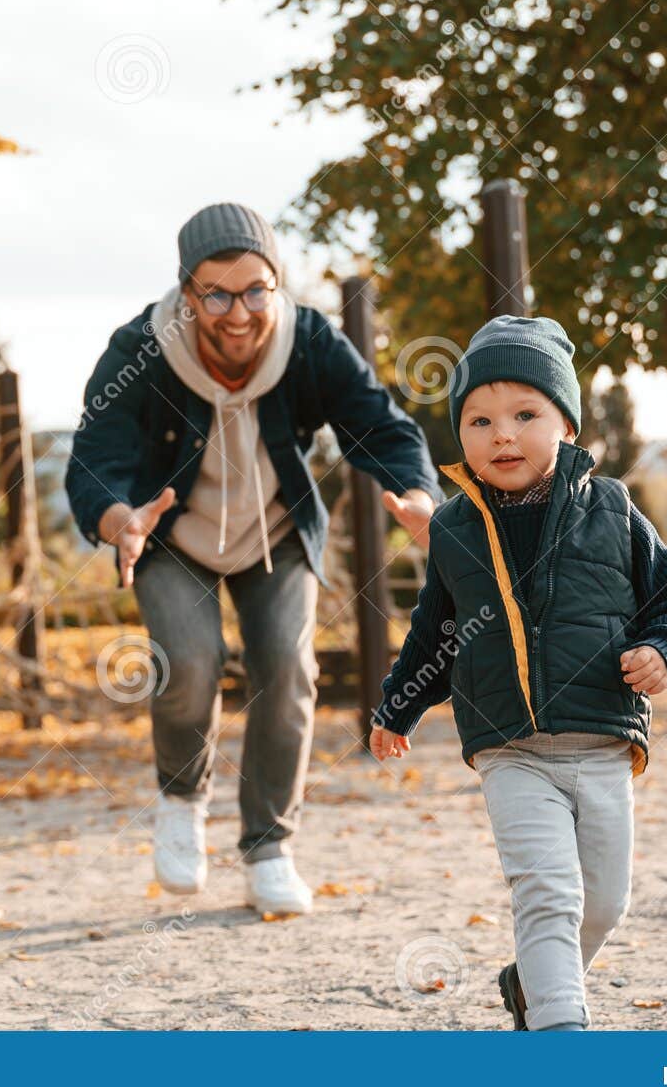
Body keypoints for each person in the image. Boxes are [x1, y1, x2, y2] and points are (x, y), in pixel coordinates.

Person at [66, 203, 443, 915]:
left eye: (255, 291)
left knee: (287, 669)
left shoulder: (308, 342)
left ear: (277, 283)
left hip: (275, 534)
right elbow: (94, 459)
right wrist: (121, 520)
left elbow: (381, 425)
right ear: (187, 293)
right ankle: (181, 798)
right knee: (191, 660)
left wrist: (417, 493)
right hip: (173, 538)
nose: (238, 313)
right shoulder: (140, 350)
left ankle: (268, 845)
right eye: (216, 294)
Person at [367, 315, 667, 1029]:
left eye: (525, 414)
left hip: (603, 738)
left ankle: (531, 982)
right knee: (548, 891)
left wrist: (663, 652)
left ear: (568, 426)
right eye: (480, 420)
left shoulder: (613, 508)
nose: (503, 434)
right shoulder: (456, 528)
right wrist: (397, 705)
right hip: (509, 747)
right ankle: (560, 1027)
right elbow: (436, 631)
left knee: (605, 901)